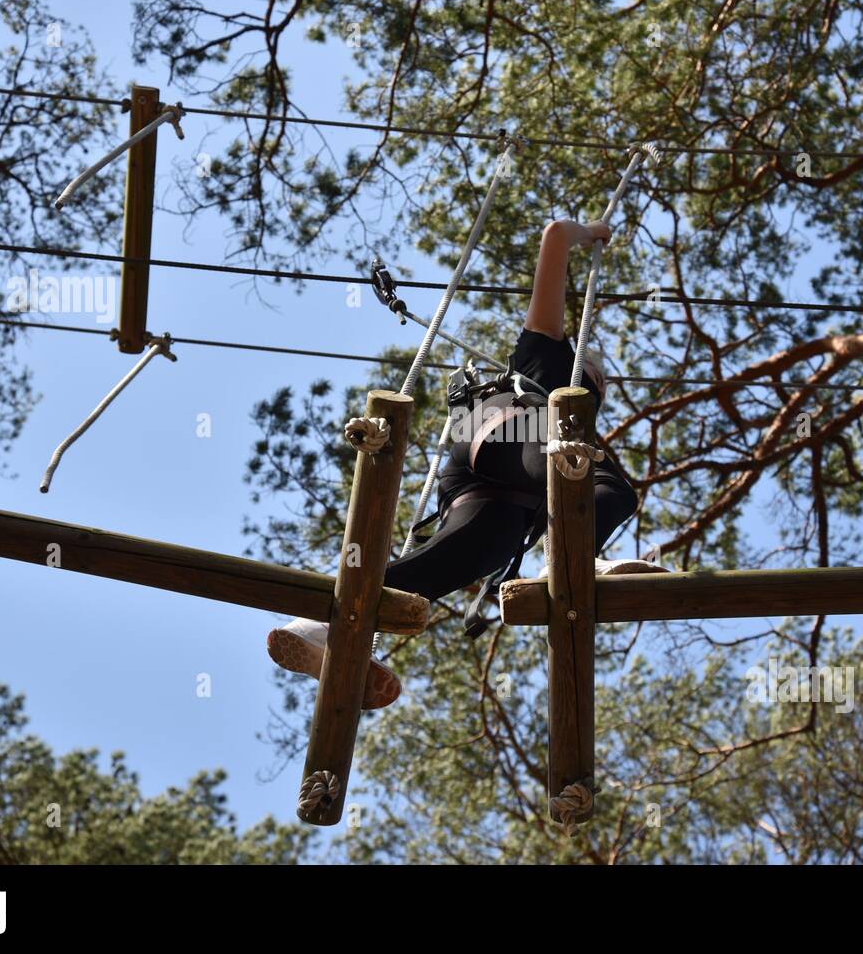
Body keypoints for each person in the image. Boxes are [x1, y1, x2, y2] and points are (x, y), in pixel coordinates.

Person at [267, 219, 665, 707]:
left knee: (455, 561)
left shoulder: (570, 406)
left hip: (492, 484)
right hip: (510, 433)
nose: (597, 391)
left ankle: (322, 627)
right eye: (599, 382)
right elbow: (555, 235)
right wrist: (593, 232)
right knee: (608, 488)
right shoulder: (546, 351)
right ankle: (567, 561)